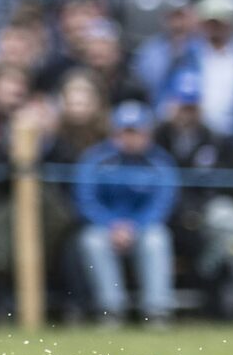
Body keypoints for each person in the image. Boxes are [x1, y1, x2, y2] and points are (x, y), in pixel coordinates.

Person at [73, 103, 181, 327]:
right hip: (105, 228)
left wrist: (135, 226)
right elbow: (86, 200)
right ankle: (112, 309)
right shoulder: (96, 159)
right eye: (125, 132)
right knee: (92, 241)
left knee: (156, 239)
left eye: (136, 132)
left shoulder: (159, 162)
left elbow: (163, 203)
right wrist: (111, 225)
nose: (130, 139)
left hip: (142, 228)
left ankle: (157, 310)